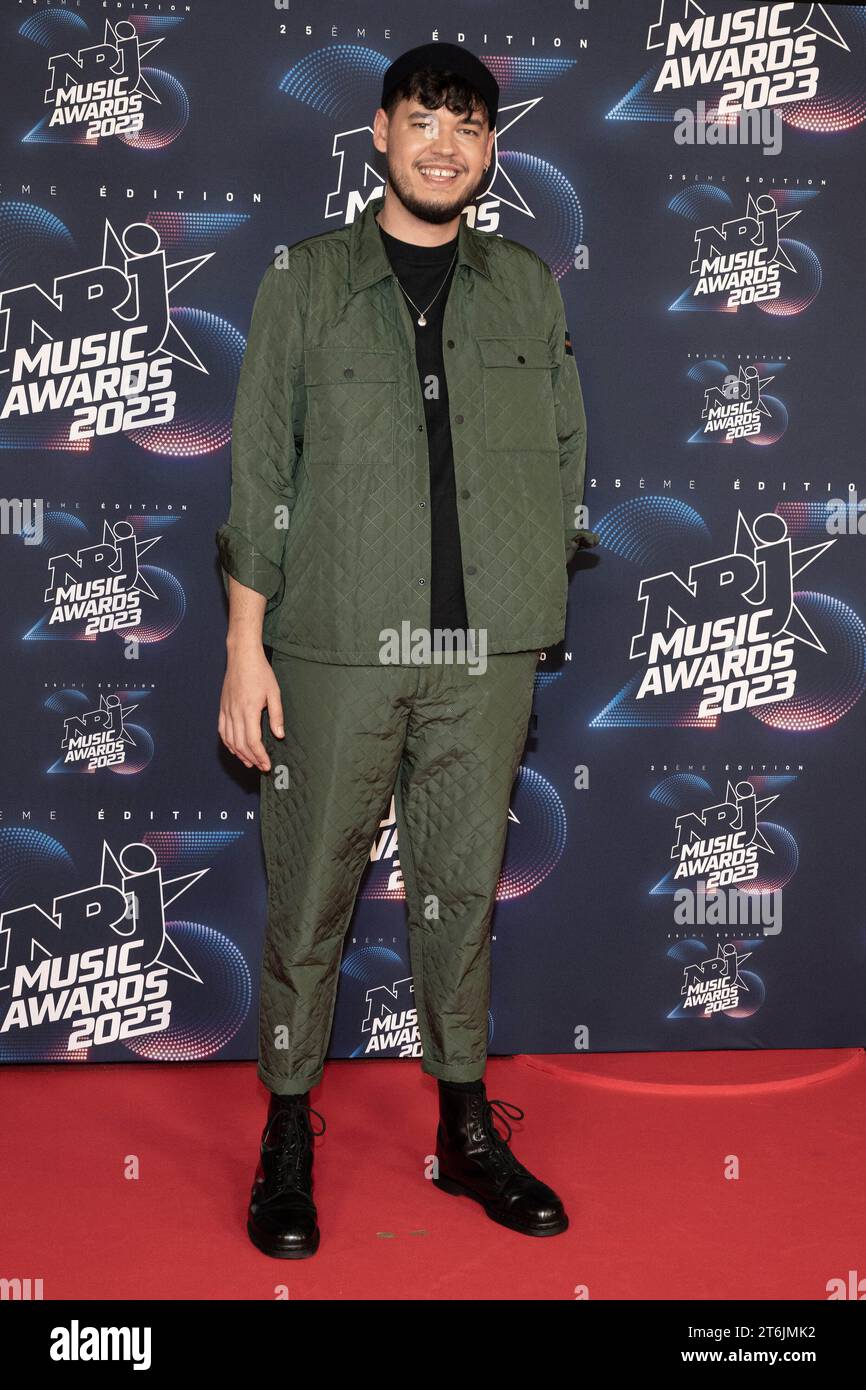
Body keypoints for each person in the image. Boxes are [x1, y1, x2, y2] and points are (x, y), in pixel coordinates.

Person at [215, 41, 598, 1259]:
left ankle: (465, 1130)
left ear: (491, 150)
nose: (445, 144)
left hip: (481, 650)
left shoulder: (525, 285)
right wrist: (243, 645)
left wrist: (527, 610)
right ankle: (286, 1129)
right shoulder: (306, 279)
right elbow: (258, 466)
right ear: (378, 133)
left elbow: (562, 451)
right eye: (424, 119)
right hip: (331, 643)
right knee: (311, 888)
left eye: (469, 127)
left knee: (458, 893)